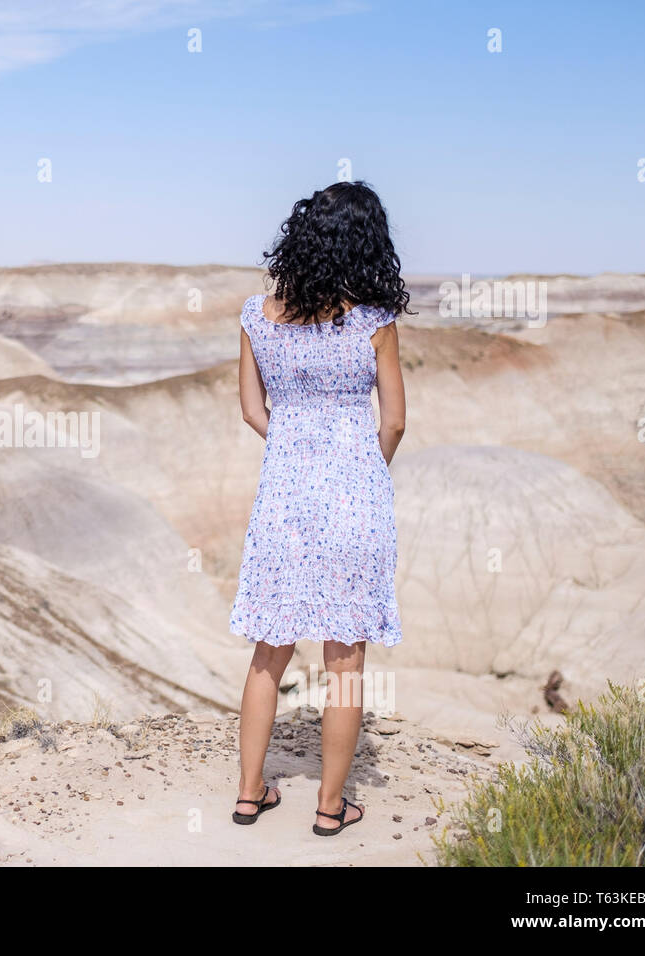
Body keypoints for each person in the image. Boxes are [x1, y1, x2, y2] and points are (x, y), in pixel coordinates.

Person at [229, 181, 409, 837]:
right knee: (346, 664)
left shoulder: (256, 316)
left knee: (268, 651)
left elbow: (253, 410)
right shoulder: (374, 324)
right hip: (353, 500)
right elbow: (394, 423)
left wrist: (297, 451)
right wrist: (358, 470)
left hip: (283, 498)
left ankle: (249, 794)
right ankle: (331, 809)